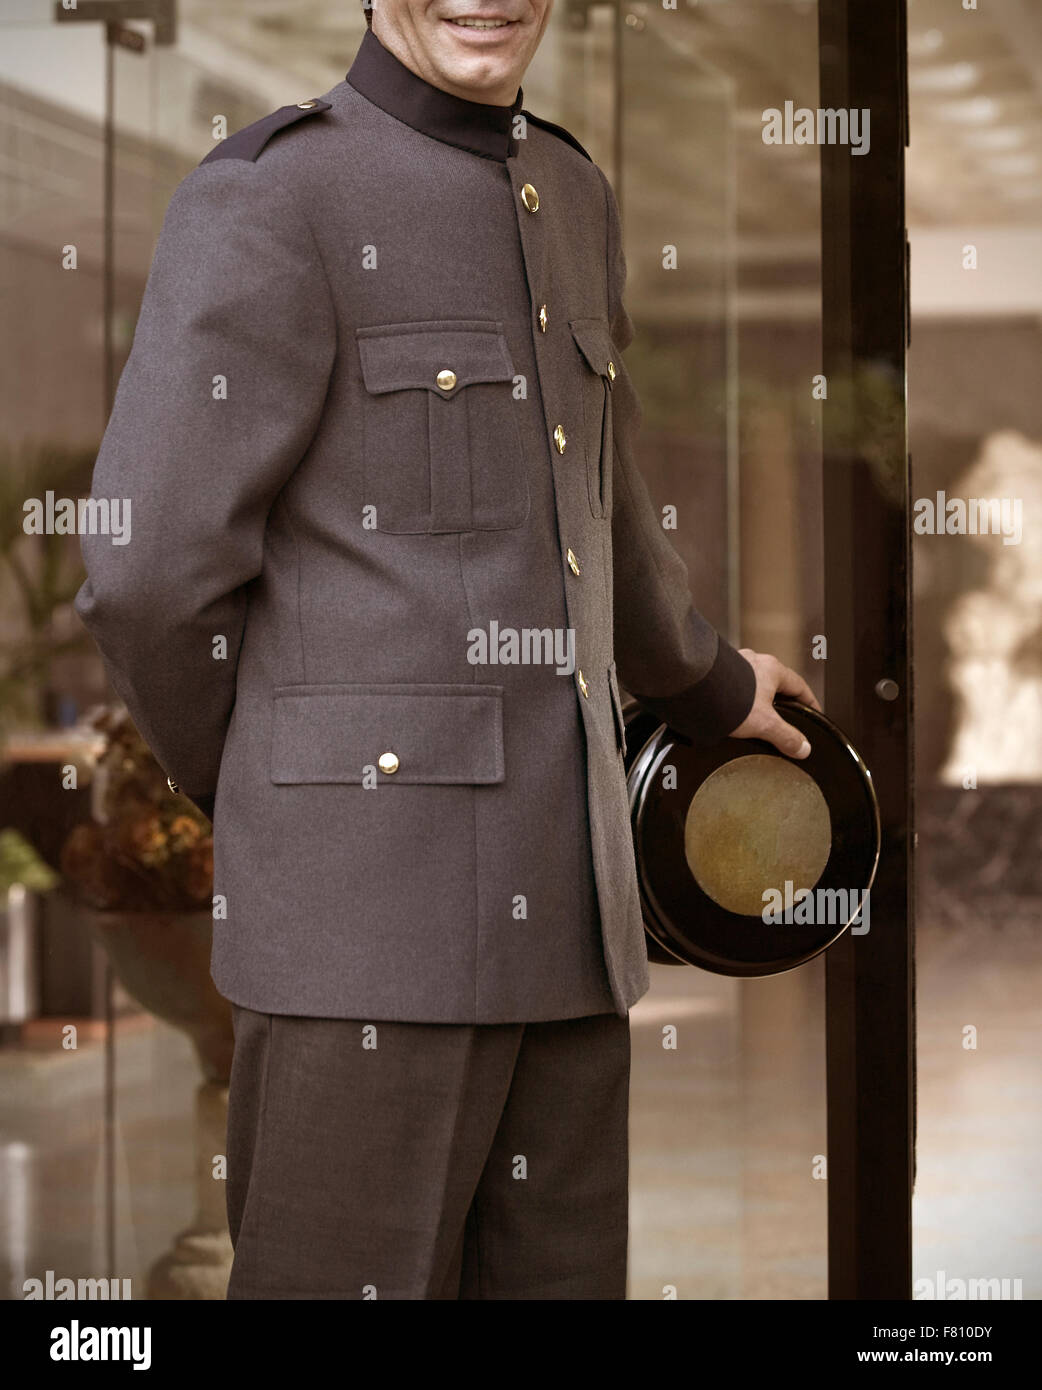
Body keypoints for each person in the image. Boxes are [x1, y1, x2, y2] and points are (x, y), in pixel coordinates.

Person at [74, 0, 819, 1299]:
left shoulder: (570, 191)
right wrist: (273, 787)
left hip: (572, 917)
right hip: (361, 935)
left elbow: (600, 497)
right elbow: (145, 570)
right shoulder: (271, 195)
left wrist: (704, 678)